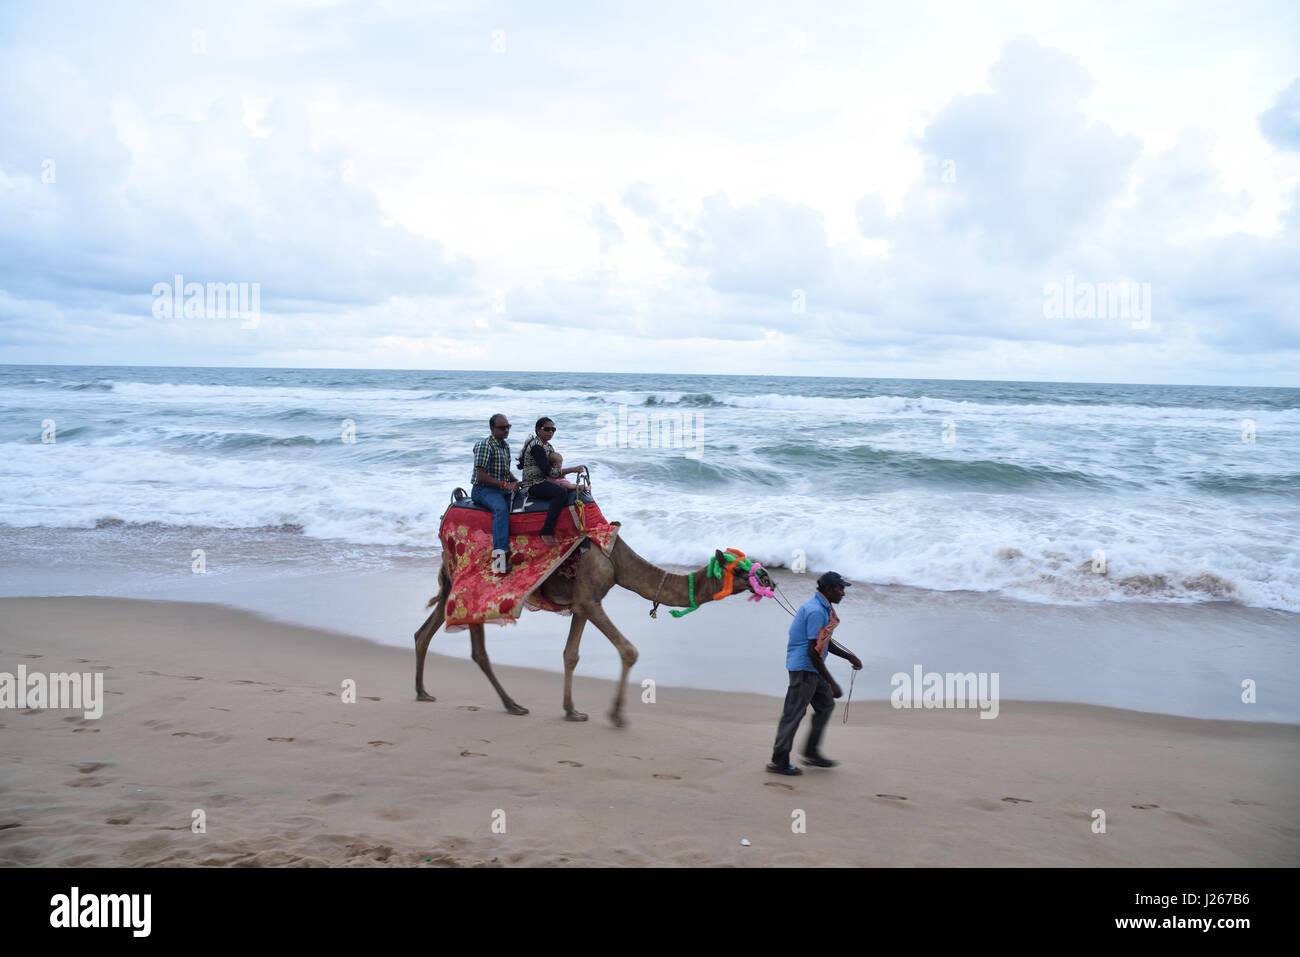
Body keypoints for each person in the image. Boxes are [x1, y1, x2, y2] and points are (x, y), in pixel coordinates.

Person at [767, 571, 863, 775]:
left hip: (812, 668)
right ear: (829, 590)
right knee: (793, 715)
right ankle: (778, 761)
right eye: (840, 588)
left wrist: (849, 656)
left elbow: (823, 642)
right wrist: (832, 682)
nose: (843, 593)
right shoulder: (816, 611)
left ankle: (811, 753)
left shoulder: (822, 607)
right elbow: (813, 651)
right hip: (804, 668)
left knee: (826, 705)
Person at [517, 417, 586, 546]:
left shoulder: (548, 446)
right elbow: (550, 471)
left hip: (545, 480)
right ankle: (546, 531)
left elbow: (553, 470)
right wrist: (573, 469)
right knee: (560, 493)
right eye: (547, 429)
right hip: (534, 483)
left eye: (553, 429)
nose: (550, 432)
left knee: (567, 489)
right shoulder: (536, 447)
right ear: (538, 430)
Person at [471, 413, 520, 573]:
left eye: (508, 427)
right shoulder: (485, 445)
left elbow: (505, 472)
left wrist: (517, 482)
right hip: (483, 490)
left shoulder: (505, 446)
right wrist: (506, 485)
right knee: (500, 509)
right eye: (502, 427)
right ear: (492, 428)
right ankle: (500, 558)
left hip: (500, 488)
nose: (506, 430)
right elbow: (481, 476)